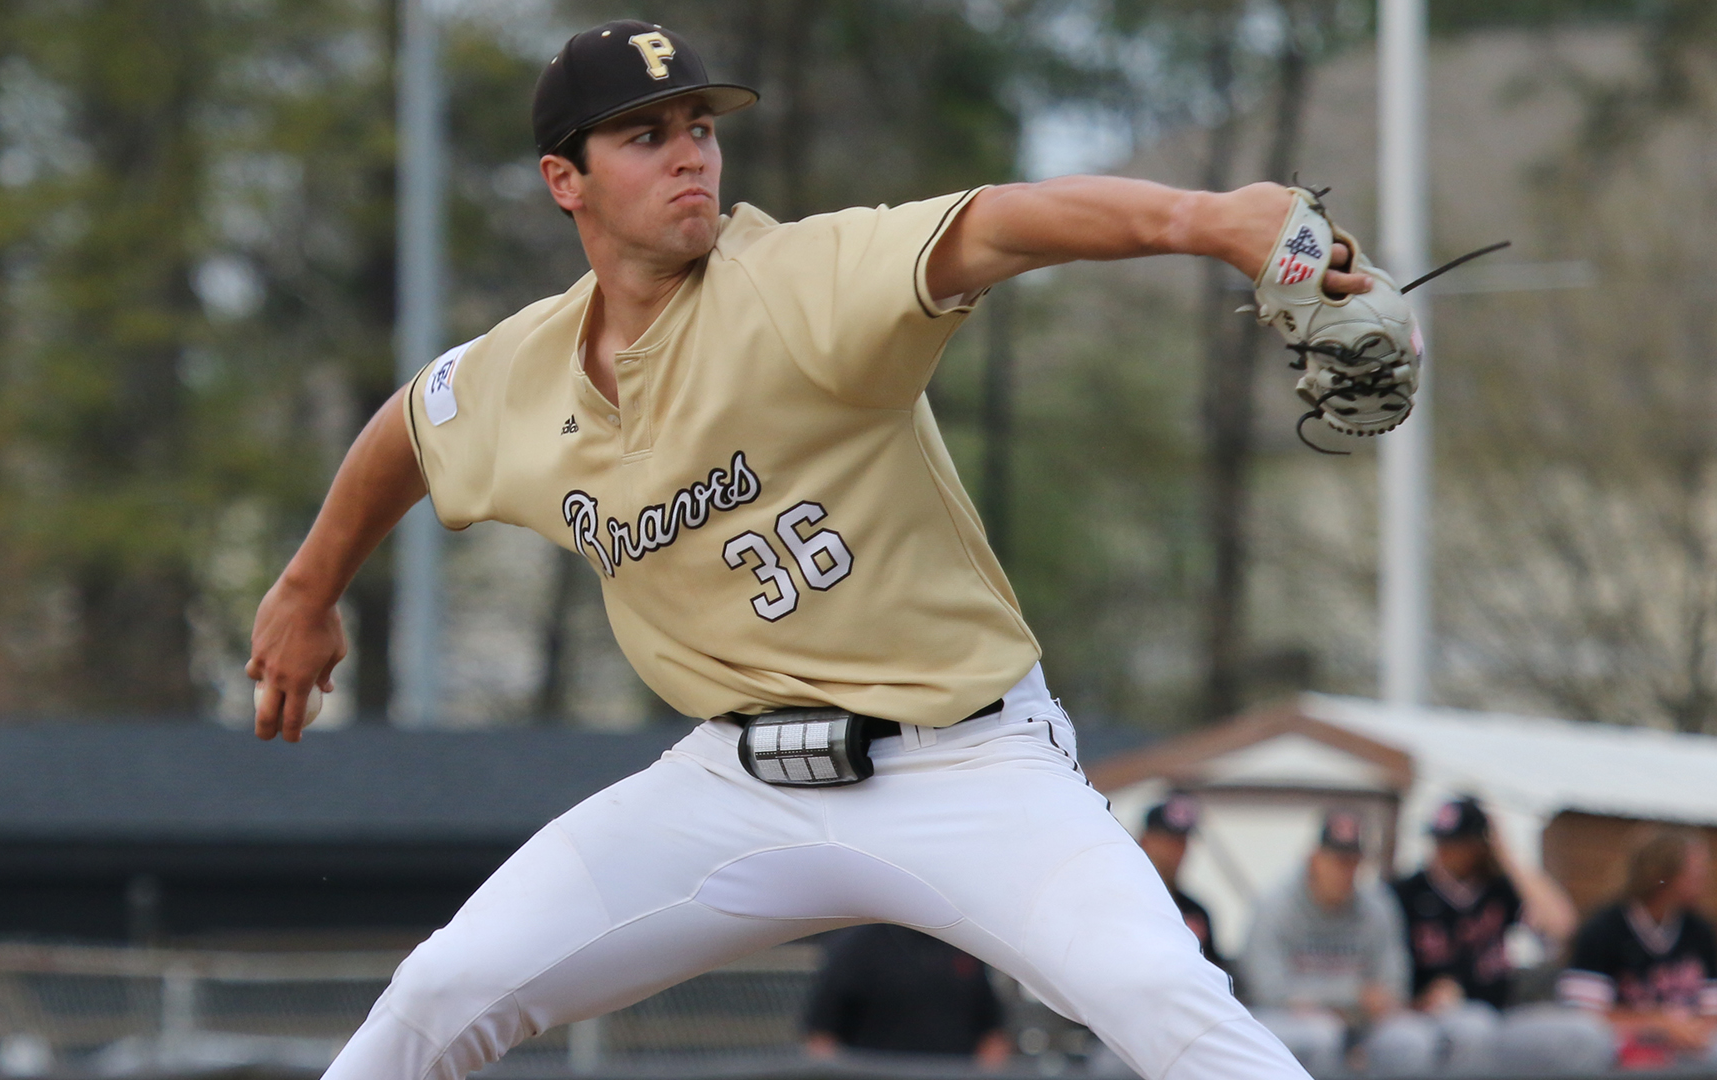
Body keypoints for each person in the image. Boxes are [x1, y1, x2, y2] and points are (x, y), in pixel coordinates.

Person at [245, 20, 1373, 1080]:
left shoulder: (789, 284)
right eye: (647, 136)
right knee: (443, 988)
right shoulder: (518, 371)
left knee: (1158, 991)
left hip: (965, 764)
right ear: (564, 180)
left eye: (701, 129)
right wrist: (309, 587)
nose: (692, 157)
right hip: (732, 787)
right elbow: (411, 424)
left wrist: (1208, 218)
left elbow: (999, 223)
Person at [1384, 796, 1579, 1072]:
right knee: (1474, 1028)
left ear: (1478, 845)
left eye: (1454, 843)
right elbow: (1383, 973)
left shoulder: (1498, 888)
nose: (1442, 851)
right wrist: (1419, 1000)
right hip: (1426, 1024)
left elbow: (1561, 925)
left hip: (1503, 1015)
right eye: (1439, 841)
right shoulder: (1406, 892)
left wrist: (1507, 854)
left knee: (1580, 1035)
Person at [1241, 810, 1415, 1074]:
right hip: (1290, 1025)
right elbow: (1267, 990)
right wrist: (1351, 995)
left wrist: (1326, 1003)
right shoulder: (1275, 906)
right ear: (1314, 859)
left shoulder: (1378, 907)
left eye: (1352, 862)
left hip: (1362, 1026)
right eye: (1336, 861)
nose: (1344, 872)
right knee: (1321, 1037)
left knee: (1410, 1040)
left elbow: (1394, 988)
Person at [1557, 829, 1717, 1069]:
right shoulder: (1603, 928)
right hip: (1617, 1054)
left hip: (1688, 1050)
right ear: (1662, 872)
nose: (1703, 875)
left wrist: (1685, 1030)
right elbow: (1583, 1017)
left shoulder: (1701, 931)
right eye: (1694, 868)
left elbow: (1711, 1013)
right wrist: (1659, 1025)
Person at [803, 924, 1009, 1069]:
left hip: (954, 1071)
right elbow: (821, 1035)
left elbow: (992, 1033)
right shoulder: (856, 945)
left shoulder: (963, 942)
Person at [1138, 794, 1227, 971]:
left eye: (1182, 842)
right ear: (1145, 841)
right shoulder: (1126, 902)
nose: (1177, 851)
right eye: (1168, 841)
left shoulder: (1197, 912)